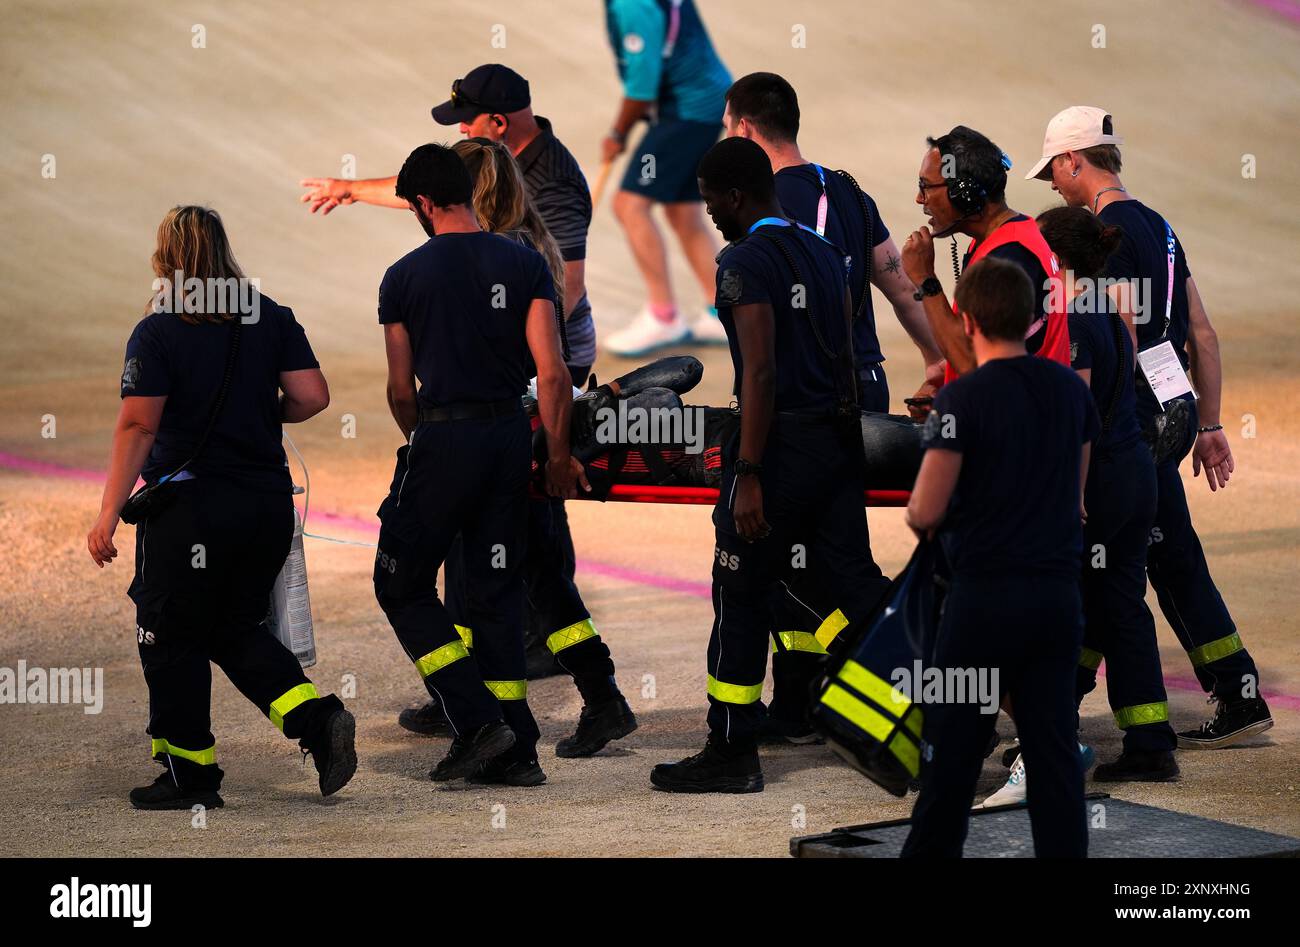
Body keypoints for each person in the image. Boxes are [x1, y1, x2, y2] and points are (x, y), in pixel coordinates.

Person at [299, 63, 597, 681]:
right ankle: (581, 689)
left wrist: (486, 348)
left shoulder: (553, 186)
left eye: (467, 118)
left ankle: (506, 669)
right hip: (515, 381)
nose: (460, 126)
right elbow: (429, 188)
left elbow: (567, 293)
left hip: (535, 368)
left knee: (528, 522)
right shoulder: (491, 179)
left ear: (498, 123)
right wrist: (352, 188)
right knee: (518, 519)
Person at [87, 206, 355, 810]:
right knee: (233, 627)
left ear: (166, 260)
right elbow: (312, 396)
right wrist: (261, 417)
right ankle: (315, 721)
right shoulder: (270, 315)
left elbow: (137, 425)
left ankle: (190, 777)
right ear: (224, 252)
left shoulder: (157, 331)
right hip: (263, 503)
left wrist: (108, 513)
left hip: (191, 510)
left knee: (170, 635)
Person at [1027, 106, 1271, 748]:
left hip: (1128, 418)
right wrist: (1209, 422)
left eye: (1053, 169)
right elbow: (1204, 333)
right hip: (1175, 406)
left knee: (1119, 563)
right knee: (1161, 555)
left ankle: (1067, 711)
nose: (1053, 185)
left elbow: (1114, 333)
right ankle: (1231, 685)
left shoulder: (1103, 234)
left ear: (1074, 160)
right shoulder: (1160, 227)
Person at [650, 137, 881, 793]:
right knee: (854, 587)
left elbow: (759, 370)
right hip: (838, 439)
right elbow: (846, 355)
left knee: (742, 593)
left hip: (778, 450)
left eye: (710, 203)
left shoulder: (743, 261)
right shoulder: (827, 252)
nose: (711, 216)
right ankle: (921, 715)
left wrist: (747, 471)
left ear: (733, 195)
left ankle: (731, 750)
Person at [721, 72, 942, 740]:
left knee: (797, 559)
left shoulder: (759, 206)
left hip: (800, 402)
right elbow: (902, 290)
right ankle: (800, 701)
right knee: (817, 552)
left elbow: (761, 342)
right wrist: (942, 361)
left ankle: (890, 680)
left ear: (743, 130)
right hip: (861, 389)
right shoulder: (845, 190)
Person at [400, 139, 637, 759]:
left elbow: (541, 370)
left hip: (513, 435)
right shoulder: (527, 247)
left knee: (504, 581)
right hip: (529, 434)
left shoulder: (505, 256)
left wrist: (551, 452)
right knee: (541, 576)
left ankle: (493, 715)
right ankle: (599, 697)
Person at [371, 144, 586, 788]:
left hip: (446, 439)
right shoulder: (523, 262)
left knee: (401, 584)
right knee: (495, 596)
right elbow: (553, 374)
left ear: (425, 203)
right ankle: (517, 750)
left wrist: (426, 439)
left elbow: (401, 391)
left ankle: (473, 717)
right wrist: (553, 454)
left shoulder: (402, 277)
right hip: (508, 441)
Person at [983, 208, 1180, 807]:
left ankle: (1049, 735)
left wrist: (1068, 496)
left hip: (1100, 483)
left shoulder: (1077, 317)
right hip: (1136, 474)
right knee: (1120, 604)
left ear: (1057, 258)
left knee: (1059, 609)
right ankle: (1149, 739)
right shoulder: (1114, 311)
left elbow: (1078, 415)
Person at [901, 257, 1094, 858]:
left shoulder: (964, 399)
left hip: (982, 602)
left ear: (971, 319)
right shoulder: (1068, 390)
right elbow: (1077, 499)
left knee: (952, 758)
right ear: (1035, 319)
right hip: (1055, 599)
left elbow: (924, 512)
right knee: (1054, 755)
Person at [600, 0, 734, 355]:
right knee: (682, 211)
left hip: (687, 110)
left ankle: (663, 316)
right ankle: (724, 310)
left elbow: (641, 87)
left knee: (629, 204)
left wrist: (617, 133)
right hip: (703, 102)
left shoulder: (632, 6)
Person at [901, 125, 1069, 385]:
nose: (919, 199)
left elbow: (973, 367)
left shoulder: (1008, 258)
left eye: (925, 187)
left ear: (963, 193)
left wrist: (926, 279)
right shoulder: (1007, 237)